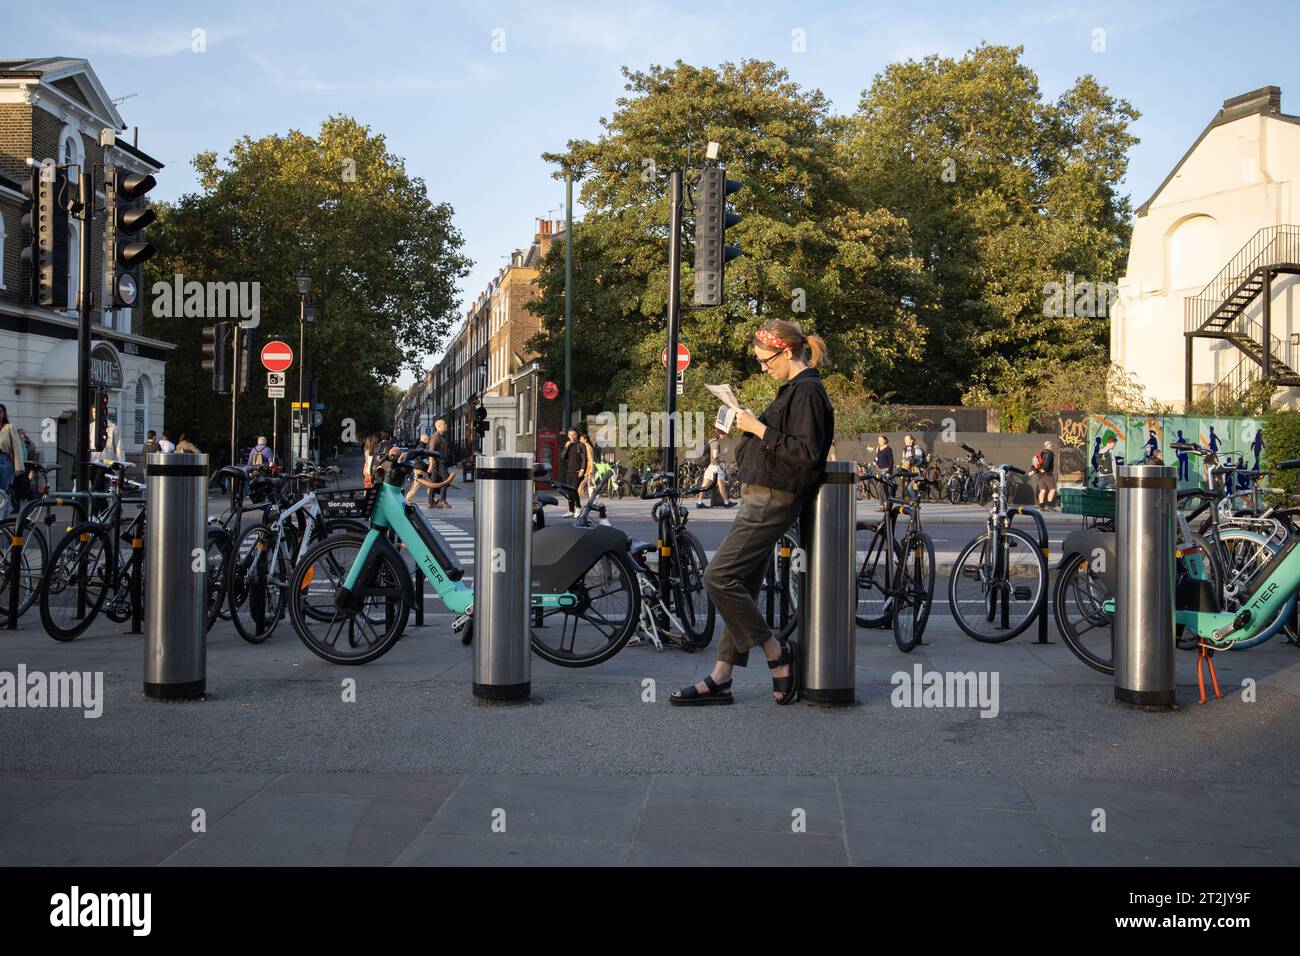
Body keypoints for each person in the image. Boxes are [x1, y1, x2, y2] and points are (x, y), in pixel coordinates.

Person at [672, 319, 833, 707]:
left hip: (773, 498)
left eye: (766, 360)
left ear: (787, 351)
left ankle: (776, 652)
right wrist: (742, 421)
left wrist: (758, 429)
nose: (763, 367)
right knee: (740, 583)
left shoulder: (808, 391)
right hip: (762, 494)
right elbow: (782, 441)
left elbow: (808, 454)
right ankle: (721, 677)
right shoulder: (794, 389)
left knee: (718, 577)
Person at [0, 404, 25, 516]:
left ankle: (1, 524)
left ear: (4, 414)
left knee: (4, 493)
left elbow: (17, 446)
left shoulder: (9, 427)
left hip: (5, 461)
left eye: (0, 411)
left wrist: (19, 466)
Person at [698, 429, 733, 508]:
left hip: (710, 466)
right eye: (724, 434)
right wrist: (724, 452)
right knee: (721, 484)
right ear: (720, 434)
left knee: (705, 485)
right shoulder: (716, 443)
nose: (725, 436)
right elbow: (715, 456)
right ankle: (726, 502)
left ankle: (699, 502)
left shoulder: (711, 442)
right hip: (715, 467)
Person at [558, 427, 587, 518]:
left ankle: (578, 507)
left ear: (577, 435)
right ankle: (571, 510)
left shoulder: (581, 445)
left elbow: (584, 459)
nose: (572, 437)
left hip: (578, 471)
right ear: (568, 436)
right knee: (569, 492)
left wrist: (582, 469)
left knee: (573, 489)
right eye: (570, 435)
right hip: (569, 471)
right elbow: (562, 457)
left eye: (573, 435)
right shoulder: (568, 445)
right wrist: (566, 447)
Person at [428, 420, 452, 508]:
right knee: (446, 479)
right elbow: (431, 451)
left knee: (434, 482)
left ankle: (431, 501)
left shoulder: (441, 436)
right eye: (444, 424)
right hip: (438, 462)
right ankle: (442, 499)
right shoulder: (435, 437)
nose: (446, 425)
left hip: (440, 462)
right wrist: (431, 464)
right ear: (438, 426)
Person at [1029, 440, 1057, 508]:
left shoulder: (1041, 453)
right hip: (1047, 474)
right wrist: (1044, 469)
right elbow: (1046, 463)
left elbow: (1036, 462)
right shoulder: (1049, 453)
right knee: (1053, 489)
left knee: (1042, 490)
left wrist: (1034, 471)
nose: (1052, 446)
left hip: (1040, 475)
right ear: (1049, 445)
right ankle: (1049, 505)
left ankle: (1041, 506)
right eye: (1051, 445)